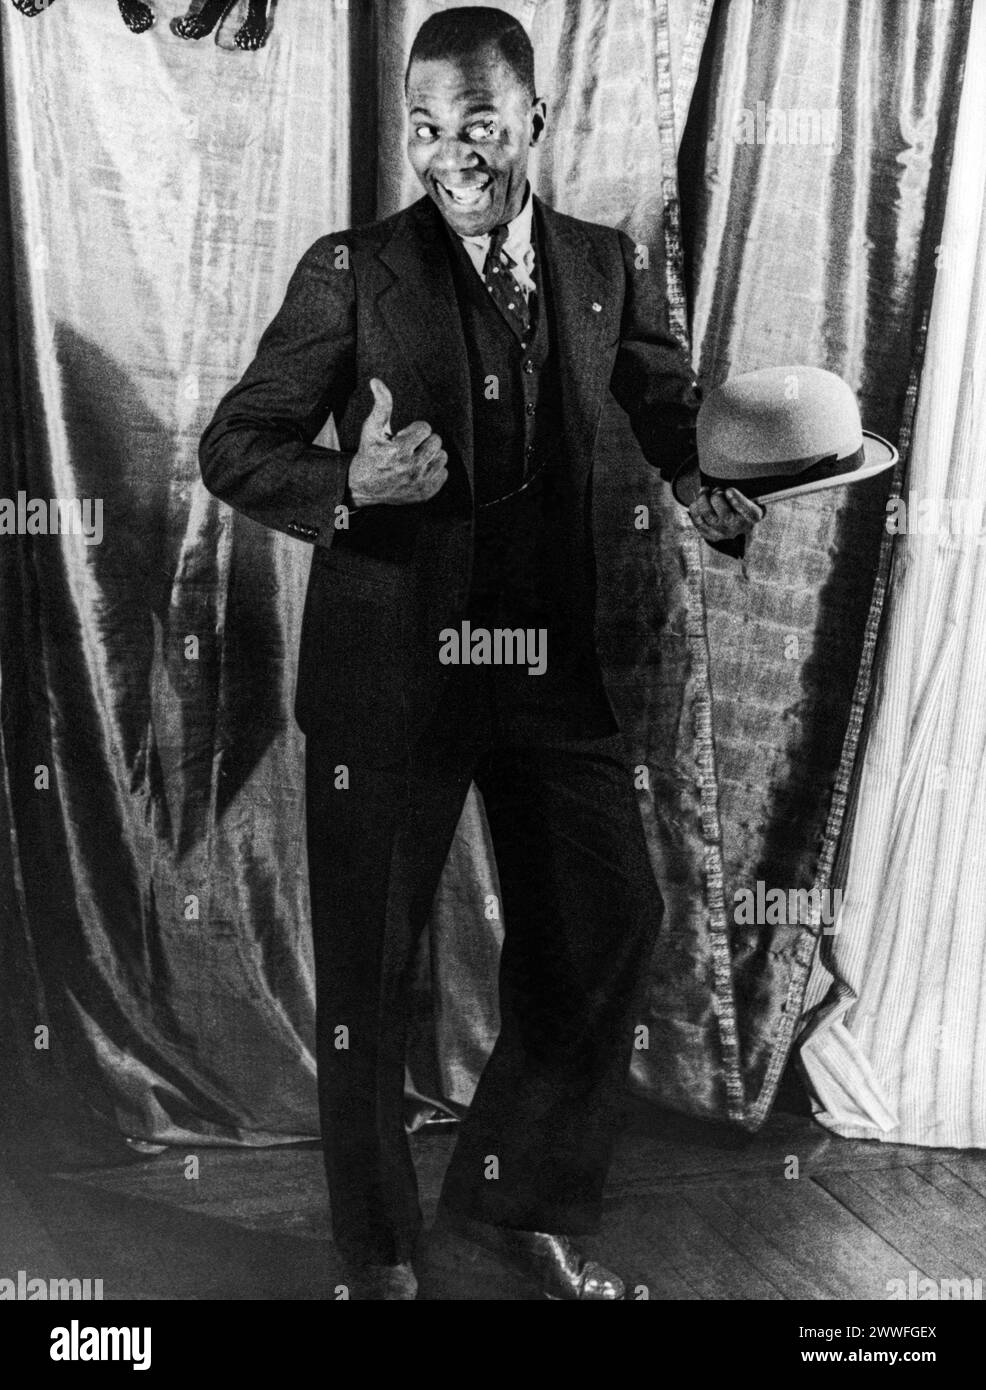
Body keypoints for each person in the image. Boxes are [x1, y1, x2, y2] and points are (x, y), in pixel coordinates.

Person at [200, 6, 763, 1300]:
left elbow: (660, 399)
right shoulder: (352, 268)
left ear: (534, 122)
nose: (451, 152)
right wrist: (354, 483)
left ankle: (515, 1203)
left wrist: (701, 482)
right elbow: (237, 443)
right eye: (426, 126)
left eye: (480, 124)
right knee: (370, 973)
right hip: (389, 680)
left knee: (605, 922)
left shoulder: (598, 262)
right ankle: (379, 1253)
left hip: (547, 670)